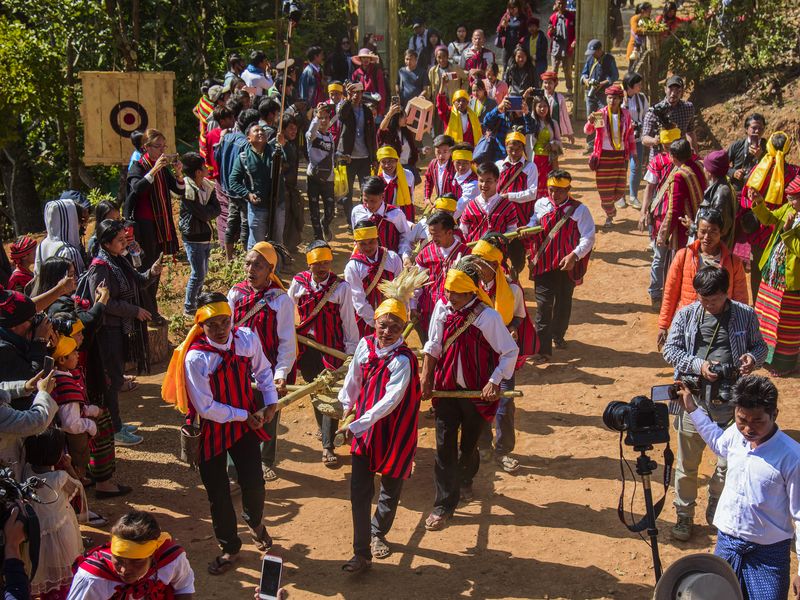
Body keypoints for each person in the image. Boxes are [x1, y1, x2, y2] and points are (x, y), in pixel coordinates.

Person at [162, 292, 276, 575]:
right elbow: (205, 406)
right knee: (218, 493)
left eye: (225, 321)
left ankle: (254, 520)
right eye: (212, 324)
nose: (221, 329)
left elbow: (263, 371)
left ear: (232, 319)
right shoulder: (196, 358)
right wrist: (243, 415)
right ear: (201, 325)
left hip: (243, 424)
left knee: (255, 482)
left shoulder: (247, 339)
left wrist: (271, 400)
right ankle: (230, 546)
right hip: (211, 428)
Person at [662, 266, 767, 542]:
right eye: (703, 299)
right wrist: (699, 365)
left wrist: (751, 360)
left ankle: (716, 504)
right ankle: (684, 516)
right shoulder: (686, 314)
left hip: (732, 407)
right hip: (693, 400)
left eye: (713, 300)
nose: (707, 304)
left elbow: (761, 348)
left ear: (726, 293)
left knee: (727, 465)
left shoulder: (745, 314)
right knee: (687, 464)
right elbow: (669, 350)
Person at [673, 375, 800, 600]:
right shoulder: (735, 435)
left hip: (767, 557)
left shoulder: (792, 457)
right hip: (726, 546)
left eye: (757, 421)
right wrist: (692, 408)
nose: (748, 428)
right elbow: (718, 442)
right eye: (742, 419)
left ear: (774, 414)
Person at [420, 260, 518, 530]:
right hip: (447, 391)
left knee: (469, 445)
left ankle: (465, 479)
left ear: (471, 293)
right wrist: (426, 376)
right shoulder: (441, 309)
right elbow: (434, 344)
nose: (449, 297)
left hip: (477, 394)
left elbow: (509, 352)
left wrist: (494, 381)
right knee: (444, 447)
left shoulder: (488, 317)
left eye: (456, 293)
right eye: (448, 291)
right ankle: (443, 505)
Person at [337, 274, 422, 572]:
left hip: (394, 430)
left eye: (395, 327)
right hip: (363, 428)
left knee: (390, 484)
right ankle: (361, 553)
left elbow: (391, 400)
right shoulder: (363, 345)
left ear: (403, 330)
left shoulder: (403, 360)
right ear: (374, 322)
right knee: (359, 491)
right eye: (382, 324)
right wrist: (346, 406)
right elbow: (353, 380)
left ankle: (378, 531)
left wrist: (357, 423)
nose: (387, 331)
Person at [84, 219, 163, 445]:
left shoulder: (118, 260)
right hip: (107, 332)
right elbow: (104, 303)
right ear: (107, 243)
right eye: (120, 240)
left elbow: (138, 281)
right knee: (111, 379)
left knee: (115, 377)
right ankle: (113, 429)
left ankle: (116, 423)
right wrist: (134, 310)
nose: (124, 243)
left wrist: (152, 272)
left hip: (118, 329)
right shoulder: (100, 266)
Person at [227, 243, 296, 481]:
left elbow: (287, 341)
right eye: (248, 263)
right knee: (237, 414)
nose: (251, 269)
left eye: (258, 265)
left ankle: (265, 460)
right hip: (238, 368)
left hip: (267, 369)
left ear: (270, 269)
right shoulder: (235, 293)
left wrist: (281, 373)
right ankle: (234, 467)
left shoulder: (280, 300)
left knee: (267, 413)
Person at [470, 236, 537, 473]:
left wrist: (512, 329)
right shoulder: (468, 286)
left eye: (482, 261)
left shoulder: (512, 289)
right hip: (476, 354)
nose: (476, 265)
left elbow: (518, 316)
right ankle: (483, 445)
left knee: (504, 402)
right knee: (478, 400)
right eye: (475, 259)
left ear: (494, 265)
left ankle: (503, 450)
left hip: (502, 353)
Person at [288, 241, 357, 465]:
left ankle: (327, 446)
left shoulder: (341, 288)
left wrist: (350, 352)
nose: (323, 268)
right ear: (309, 264)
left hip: (332, 349)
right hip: (306, 348)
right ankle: (324, 429)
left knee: (331, 391)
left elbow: (348, 321)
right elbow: (289, 316)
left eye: (326, 262)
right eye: (318, 263)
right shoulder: (298, 284)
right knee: (314, 389)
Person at [526, 170, 595, 360]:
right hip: (543, 264)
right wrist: (527, 230)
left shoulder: (580, 210)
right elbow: (534, 223)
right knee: (543, 306)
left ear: (568, 189)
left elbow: (588, 237)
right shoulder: (540, 204)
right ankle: (543, 349)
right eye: (551, 190)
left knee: (563, 304)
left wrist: (574, 255)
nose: (555, 195)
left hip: (567, 266)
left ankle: (558, 334)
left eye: (559, 191)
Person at [658, 209, 749, 348]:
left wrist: (742, 327)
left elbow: (740, 298)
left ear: (721, 233)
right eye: (703, 231)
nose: (707, 236)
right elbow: (670, 292)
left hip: (720, 326)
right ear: (697, 231)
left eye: (713, 231)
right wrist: (663, 325)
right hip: (687, 323)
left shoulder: (733, 262)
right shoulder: (683, 256)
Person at [124, 128, 183, 319]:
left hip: (160, 227)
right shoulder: (138, 167)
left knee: (156, 267)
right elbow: (138, 189)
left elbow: (179, 190)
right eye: (158, 146)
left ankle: (151, 308)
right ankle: (149, 310)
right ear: (146, 147)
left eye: (163, 146)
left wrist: (179, 174)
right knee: (146, 268)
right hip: (144, 227)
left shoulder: (162, 169)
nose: (161, 150)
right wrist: (154, 169)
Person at [69, 511, 195, 597]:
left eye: (136, 561)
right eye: (119, 559)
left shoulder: (171, 559)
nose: (124, 570)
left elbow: (184, 586)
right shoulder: (92, 578)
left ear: (152, 556)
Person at [22, 428, 85, 599]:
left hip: (36, 535)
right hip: (61, 533)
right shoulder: (59, 477)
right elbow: (78, 489)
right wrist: (68, 466)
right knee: (62, 576)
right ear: (57, 455)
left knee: (42, 573)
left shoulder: (26, 471)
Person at [739, 131, 799, 302]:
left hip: (760, 227)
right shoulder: (795, 172)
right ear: (788, 149)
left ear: (769, 147)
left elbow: (745, 196)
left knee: (758, 266)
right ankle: (776, 303)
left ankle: (758, 304)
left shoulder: (757, 170)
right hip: (784, 227)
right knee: (781, 266)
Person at [646, 140, 706, 306]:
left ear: (672, 157)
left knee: (677, 265)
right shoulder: (698, 167)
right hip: (701, 222)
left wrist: (663, 234)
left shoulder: (679, 176)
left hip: (684, 229)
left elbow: (674, 210)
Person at [750, 178, 800, 376]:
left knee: (787, 326)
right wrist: (759, 204)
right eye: (790, 197)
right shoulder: (788, 209)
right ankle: (765, 358)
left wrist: (787, 233)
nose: (790, 201)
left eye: (795, 198)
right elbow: (769, 219)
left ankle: (784, 365)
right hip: (772, 278)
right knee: (766, 319)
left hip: (791, 283)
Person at [584, 85, 637, 228]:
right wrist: (590, 121)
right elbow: (588, 131)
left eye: (615, 98)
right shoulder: (600, 114)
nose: (612, 100)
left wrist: (633, 152)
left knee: (619, 189)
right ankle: (609, 214)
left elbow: (630, 134)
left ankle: (611, 207)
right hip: (604, 157)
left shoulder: (625, 114)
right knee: (605, 190)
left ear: (620, 99)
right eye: (609, 97)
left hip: (619, 157)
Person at [413, 210, 469, 341]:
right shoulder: (426, 252)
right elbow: (416, 282)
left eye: (436, 235)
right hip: (428, 312)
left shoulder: (466, 254)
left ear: (449, 232)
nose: (433, 239)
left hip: (455, 315)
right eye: (431, 234)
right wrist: (412, 305)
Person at [228, 123, 285, 249]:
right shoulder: (243, 158)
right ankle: (253, 268)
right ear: (248, 138)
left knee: (277, 241)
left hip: (277, 204)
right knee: (257, 243)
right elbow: (233, 181)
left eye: (262, 130)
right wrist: (247, 194)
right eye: (256, 131)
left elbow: (284, 164)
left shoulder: (275, 151)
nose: (260, 132)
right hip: (258, 207)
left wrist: (282, 146)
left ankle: (276, 268)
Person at [179, 152, 221, 316]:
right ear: (198, 172)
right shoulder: (187, 190)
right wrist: (207, 212)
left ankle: (196, 302)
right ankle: (189, 307)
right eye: (204, 166)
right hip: (193, 237)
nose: (207, 169)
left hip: (204, 236)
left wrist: (207, 212)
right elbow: (205, 214)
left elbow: (215, 209)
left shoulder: (207, 186)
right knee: (198, 273)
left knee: (202, 272)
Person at [345, 220, 404, 337]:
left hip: (392, 318)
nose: (368, 247)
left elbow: (401, 288)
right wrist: (376, 323)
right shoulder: (352, 267)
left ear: (377, 239)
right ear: (356, 244)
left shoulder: (392, 258)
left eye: (371, 242)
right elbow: (358, 300)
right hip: (366, 321)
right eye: (362, 244)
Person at [216, 108, 260, 260]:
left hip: (228, 187)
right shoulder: (246, 144)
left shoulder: (227, 138)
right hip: (242, 189)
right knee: (245, 224)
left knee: (231, 222)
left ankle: (229, 259)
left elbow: (217, 157)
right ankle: (245, 259)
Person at [337, 82, 378, 228]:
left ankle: (364, 219)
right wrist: (347, 99)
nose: (356, 95)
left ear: (362, 94)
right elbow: (340, 116)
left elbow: (372, 135)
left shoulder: (367, 111)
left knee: (365, 190)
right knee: (347, 193)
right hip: (348, 158)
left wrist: (374, 158)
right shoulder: (345, 107)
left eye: (359, 92)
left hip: (365, 158)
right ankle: (350, 221)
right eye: (353, 93)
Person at [351, 176, 412, 260]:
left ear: (382, 197)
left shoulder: (395, 214)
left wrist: (404, 255)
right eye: (365, 200)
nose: (368, 205)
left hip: (390, 260)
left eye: (373, 201)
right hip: (365, 261)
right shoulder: (357, 212)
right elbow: (356, 237)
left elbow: (405, 235)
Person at [642, 76, 697, 161]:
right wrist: (655, 140)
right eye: (671, 89)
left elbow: (690, 132)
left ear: (682, 91)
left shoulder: (688, 108)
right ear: (665, 89)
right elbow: (644, 139)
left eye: (677, 90)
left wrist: (695, 154)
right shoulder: (654, 112)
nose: (673, 94)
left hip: (681, 158)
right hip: (659, 159)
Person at [580, 39, 619, 154]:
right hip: (590, 93)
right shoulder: (590, 59)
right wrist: (587, 81)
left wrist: (602, 83)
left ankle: (601, 143)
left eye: (594, 52)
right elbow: (583, 74)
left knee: (601, 117)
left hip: (603, 94)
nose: (592, 55)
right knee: (591, 118)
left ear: (600, 50)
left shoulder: (609, 59)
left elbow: (615, 76)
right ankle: (590, 144)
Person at [496, 130, 539, 230]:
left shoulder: (530, 167)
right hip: (501, 211)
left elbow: (532, 194)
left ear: (523, 148)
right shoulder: (499, 166)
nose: (514, 152)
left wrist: (509, 196)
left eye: (518, 149)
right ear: (506, 147)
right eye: (511, 149)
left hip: (521, 213)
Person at [306, 103, 336, 241]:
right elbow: (311, 132)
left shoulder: (330, 137)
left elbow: (331, 157)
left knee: (330, 212)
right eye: (321, 118)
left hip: (329, 179)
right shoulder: (311, 136)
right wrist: (316, 116)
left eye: (326, 118)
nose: (323, 121)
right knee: (314, 212)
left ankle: (325, 224)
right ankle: (318, 239)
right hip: (313, 178)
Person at [34, 198, 86, 277]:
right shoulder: (68, 251)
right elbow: (80, 284)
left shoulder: (41, 246)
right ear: (71, 220)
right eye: (78, 219)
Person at [698, 150, 737, 248]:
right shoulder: (721, 187)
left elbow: (715, 229)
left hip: (714, 249)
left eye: (705, 167)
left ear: (710, 172)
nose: (703, 170)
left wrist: (693, 227)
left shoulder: (721, 194)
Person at [622, 72, 649, 210]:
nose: (640, 86)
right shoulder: (620, 99)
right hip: (621, 140)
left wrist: (640, 126)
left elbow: (646, 115)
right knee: (622, 166)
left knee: (636, 166)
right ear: (629, 86)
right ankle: (621, 196)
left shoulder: (642, 98)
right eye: (637, 84)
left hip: (637, 138)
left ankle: (633, 196)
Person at [525, 95, 563, 194]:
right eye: (539, 106)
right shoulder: (531, 123)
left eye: (545, 106)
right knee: (535, 186)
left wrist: (552, 144)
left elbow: (559, 142)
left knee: (549, 185)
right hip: (535, 160)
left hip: (549, 161)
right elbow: (528, 144)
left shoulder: (553, 123)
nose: (543, 109)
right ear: (534, 108)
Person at [377, 104, 420, 186]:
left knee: (408, 195)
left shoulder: (406, 132)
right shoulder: (388, 133)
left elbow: (411, 149)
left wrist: (421, 150)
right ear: (397, 118)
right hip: (393, 169)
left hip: (408, 168)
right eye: (403, 117)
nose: (406, 119)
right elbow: (381, 130)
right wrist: (390, 114)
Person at [726, 113, 767, 193]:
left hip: (759, 193)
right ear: (746, 129)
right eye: (754, 128)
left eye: (761, 128)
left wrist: (760, 157)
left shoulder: (768, 146)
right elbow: (722, 165)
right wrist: (733, 172)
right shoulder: (737, 145)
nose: (757, 131)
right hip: (738, 191)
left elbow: (774, 169)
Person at [376, 145, 415, 222]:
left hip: (404, 214)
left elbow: (411, 195)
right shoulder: (378, 180)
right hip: (386, 216)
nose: (387, 165)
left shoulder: (408, 175)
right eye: (383, 162)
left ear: (397, 160)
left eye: (390, 161)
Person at [547, 0, 577, 95]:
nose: (561, 5)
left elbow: (576, 32)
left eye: (563, 3)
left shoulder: (572, 17)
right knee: (554, 70)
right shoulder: (553, 17)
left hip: (567, 48)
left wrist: (574, 42)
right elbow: (549, 34)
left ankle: (569, 89)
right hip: (556, 48)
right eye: (559, 3)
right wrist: (551, 32)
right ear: (556, 4)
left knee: (567, 70)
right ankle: (552, 89)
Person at [541, 71, 574, 145]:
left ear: (555, 84)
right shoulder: (540, 97)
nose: (547, 85)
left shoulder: (560, 98)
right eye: (545, 83)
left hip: (555, 128)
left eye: (550, 83)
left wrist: (570, 133)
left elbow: (565, 116)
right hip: (542, 127)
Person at [352, 48, 387, 117]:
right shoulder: (356, 74)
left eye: (367, 57)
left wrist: (381, 110)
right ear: (360, 59)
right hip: (361, 107)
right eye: (363, 57)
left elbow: (382, 91)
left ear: (370, 59)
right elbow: (353, 93)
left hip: (375, 107)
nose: (366, 59)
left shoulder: (377, 71)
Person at [423, 134, 456, 207]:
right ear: (434, 151)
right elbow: (429, 180)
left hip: (454, 204)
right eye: (438, 152)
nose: (441, 156)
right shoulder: (433, 164)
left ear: (451, 152)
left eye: (445, 152)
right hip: (439, 202)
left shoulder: (455, 166)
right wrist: (427, 197)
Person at [451, 145, 480, 219]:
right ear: (453, 162)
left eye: (465, 163)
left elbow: (459, 208)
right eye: (458, 163)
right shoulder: (454, 177)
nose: (461, 167)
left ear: (471, 163)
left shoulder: (473, 184)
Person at [496, 0, 529, 65]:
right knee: (505, 66)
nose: (512, 10)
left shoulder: (523, 17)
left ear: (518, 7)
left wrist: (521, 43)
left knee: (516, 65)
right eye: (510, 8)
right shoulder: (506, 16)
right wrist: (502, 26)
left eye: (514, 8)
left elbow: (527, 33)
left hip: (518, 47)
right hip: (507, 46)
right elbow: (498, 31)